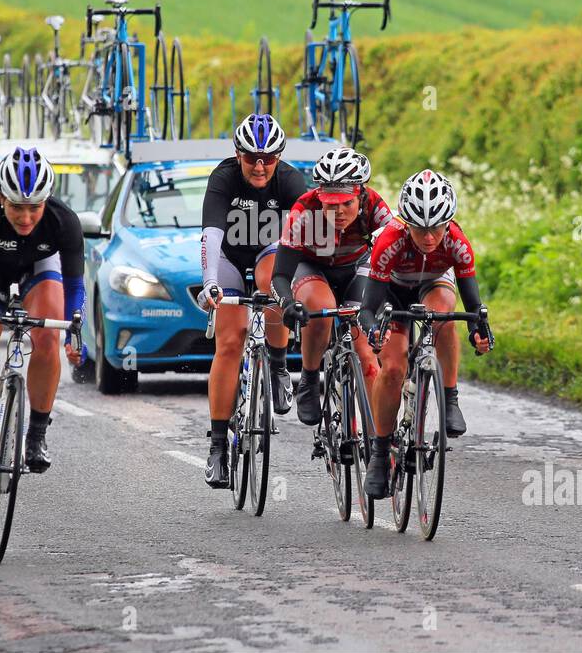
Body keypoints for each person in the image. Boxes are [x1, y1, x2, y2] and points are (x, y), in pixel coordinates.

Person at [0, 147, 85, 504]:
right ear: (1, 198)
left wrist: (74, 329)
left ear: (46, 202)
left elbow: (74, 288)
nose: (25, 217)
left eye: (34, 208)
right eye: (16, 207)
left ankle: (36, 433)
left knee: (47, 335)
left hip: (38, 271)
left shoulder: (63, 221)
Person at [359, 169, 492, 499]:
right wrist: (373, 329)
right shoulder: (390, 241)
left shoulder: (458, 243)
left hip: (431, 285)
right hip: (392, 293)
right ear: (406, 223)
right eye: (420, 228)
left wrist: (479, 331)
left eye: (436, 227)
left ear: (449, 222)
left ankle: (450, 399)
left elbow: (473, 306)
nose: (429, 237)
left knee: (444, 312)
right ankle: (379, 454)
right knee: (391, 369)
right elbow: (369, 306)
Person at [199, 114, 307, 488]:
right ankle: (217, 446)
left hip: (268, 252)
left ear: (279, 157)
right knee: (230, 341)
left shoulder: (291, 181)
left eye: (268, 158)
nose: (260, 166)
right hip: (230, 257)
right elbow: (211, 234)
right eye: (251, 158)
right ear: (237, 154)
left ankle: (277, 366)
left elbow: (306, 237)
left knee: (273, 283)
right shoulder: (224, 177)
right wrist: (210, 283)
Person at [270, 146, 392, 430]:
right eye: (330, 204)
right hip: (313, 267)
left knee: (366, 351)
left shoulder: (376, 207)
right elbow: (280, 276)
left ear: (360, 195)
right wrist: (288, 303)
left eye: (345, 204)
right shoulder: (303, 210)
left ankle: (379, 443)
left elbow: (392, 260)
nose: (337, 212)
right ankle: (310, 379)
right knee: (320, 309)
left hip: (357, 266)